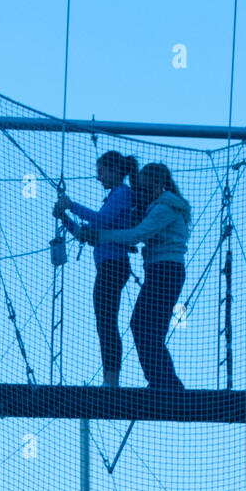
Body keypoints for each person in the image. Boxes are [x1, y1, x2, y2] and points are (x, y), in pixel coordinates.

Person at [79, 163, 191, 392]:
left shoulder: (164, 207)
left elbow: (138, 234)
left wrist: (101, 235)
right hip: (161, 270)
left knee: (143, 325)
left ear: (157, 185)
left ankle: (166, 383)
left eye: (145, 187)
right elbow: (135, 233)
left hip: (165, 270)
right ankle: (164, 382)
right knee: (148, 326)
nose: (141, 192)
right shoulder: (161, 206)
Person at [53, 151, 139, 386]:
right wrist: (65, 219)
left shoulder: (122, 193)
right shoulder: (114, 196)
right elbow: (86, 235)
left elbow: (100, 222)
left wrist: (71, 206)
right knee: (104, 322)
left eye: (101, 171)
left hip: (113, 265)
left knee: (106, 322)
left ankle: (111, 379)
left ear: (113, 171)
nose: (98, 176)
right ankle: (110, 378)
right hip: (108, 266)